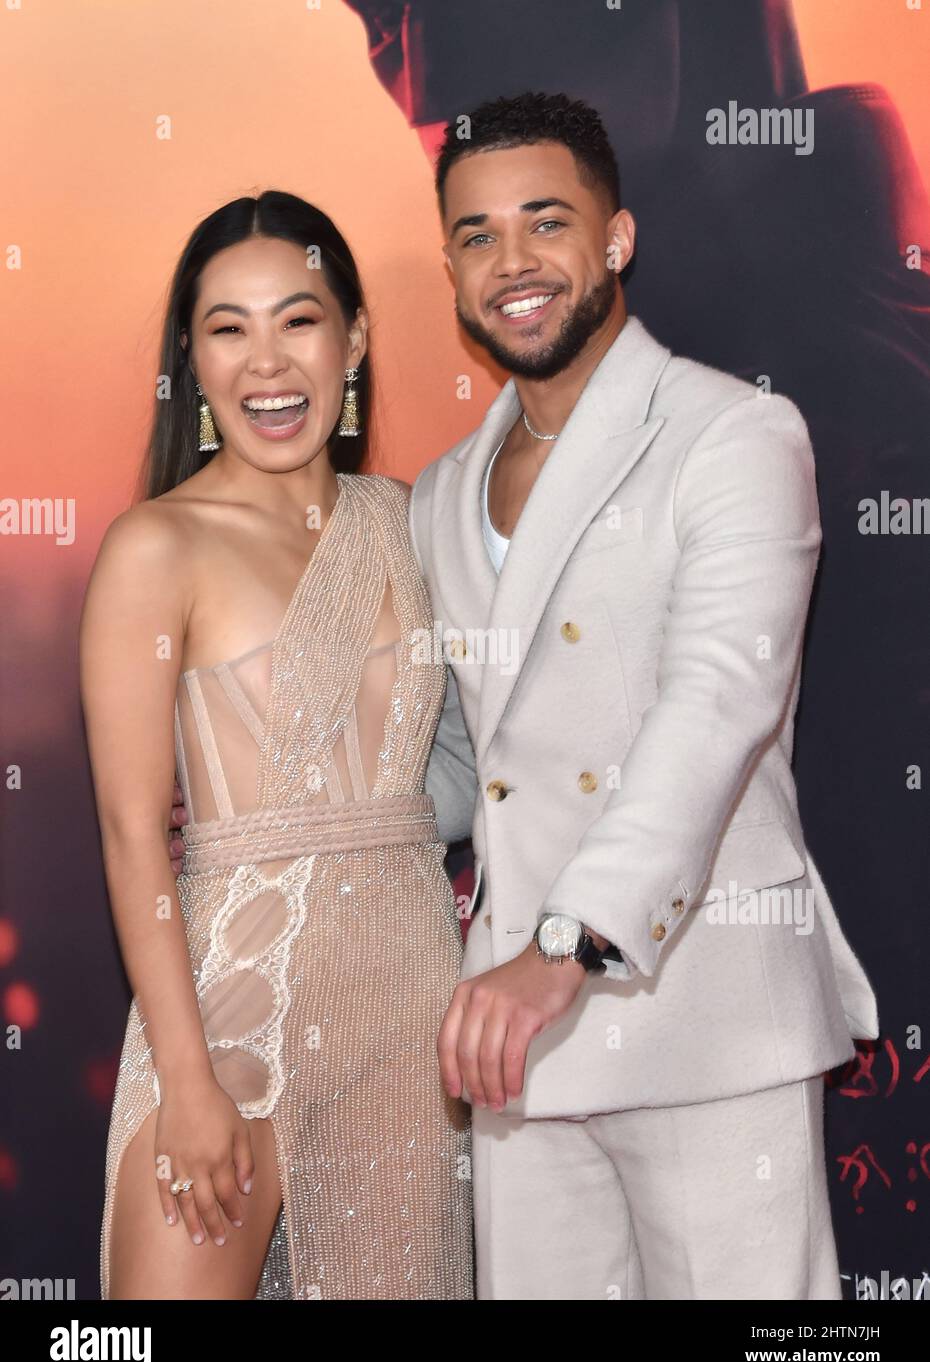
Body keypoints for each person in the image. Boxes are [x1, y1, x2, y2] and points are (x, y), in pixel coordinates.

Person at [410, 92, 880, 1299]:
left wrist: (568, 943)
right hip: (518, 1043)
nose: (512, 263)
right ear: (451, 269)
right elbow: (475, 756)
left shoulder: (733, 431)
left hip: (698, 1009)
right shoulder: (441, 493)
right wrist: (308, 817)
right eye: (476, 236)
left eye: (544, 222)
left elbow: (718, 706)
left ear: (615, 239)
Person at [80, 191, 472, 1300]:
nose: (268, 362)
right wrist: (189, 1081)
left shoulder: (414, 522)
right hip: (224, 1015)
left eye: (297, 320)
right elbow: (127, 835)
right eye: (228, 327)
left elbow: (483, 762)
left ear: (354, 337)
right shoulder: (157, 545)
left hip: (407, 1021)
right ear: (192, 362)